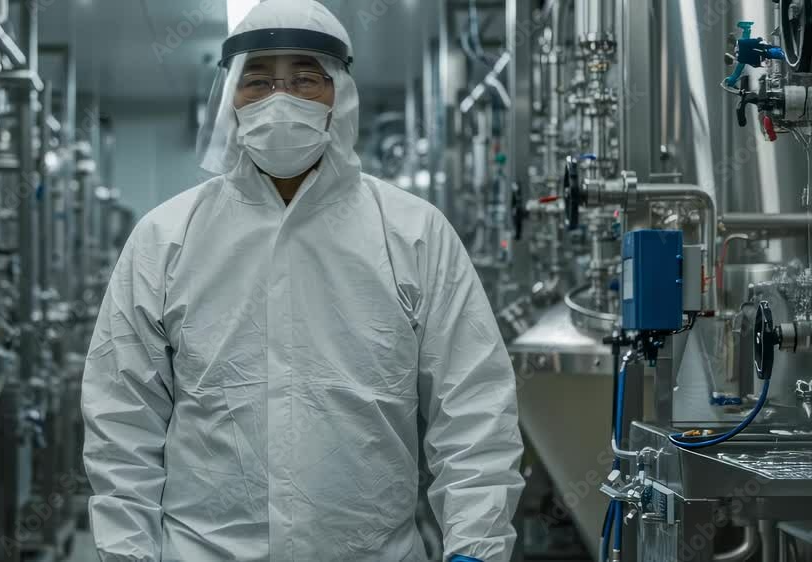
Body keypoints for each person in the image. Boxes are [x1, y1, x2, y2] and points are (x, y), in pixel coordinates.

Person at [81, 1, 525, 561]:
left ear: (340, 95)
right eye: (258, 82)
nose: (280, 100)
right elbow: (123, 418)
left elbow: (473, 407)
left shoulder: (413, 233)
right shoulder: (167, 237)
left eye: (305, 80)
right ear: (231, 99)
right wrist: (128, 553)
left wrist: (475, 548)